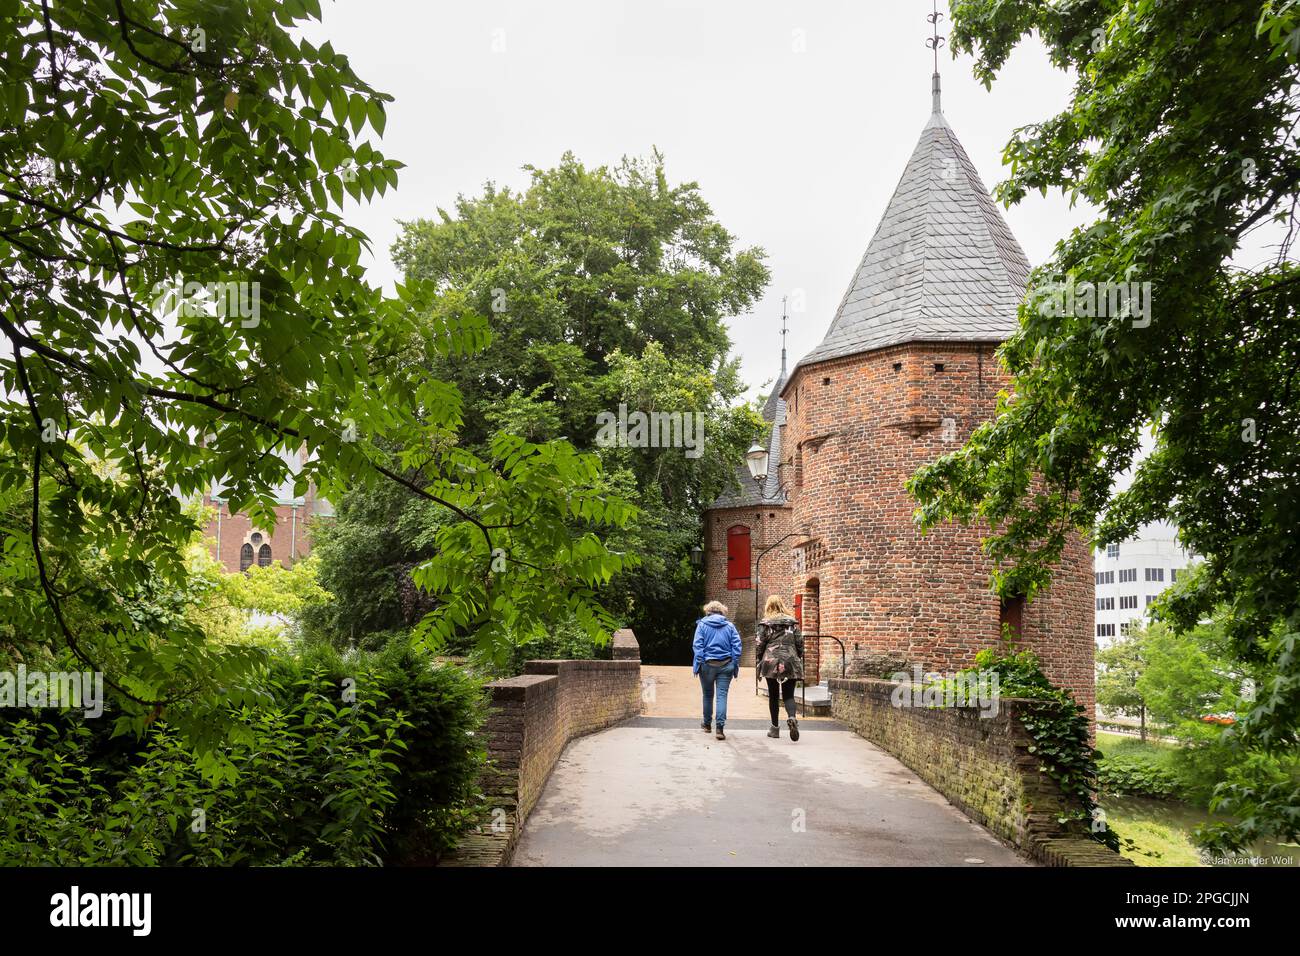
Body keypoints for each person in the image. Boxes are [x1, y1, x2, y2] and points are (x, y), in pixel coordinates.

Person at [755, 595, 804, 741]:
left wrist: (759, 659)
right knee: (789, 694)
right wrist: (798, 657)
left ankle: (775, 729)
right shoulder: (792, 623)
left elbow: (759, 644)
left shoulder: (765, 624)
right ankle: (792, 717)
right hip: (790, 660)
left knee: (774, 695)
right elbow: (800, 643)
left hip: (771, 661)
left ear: (768, 607)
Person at [692, 600, 742, 740]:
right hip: (726, 665)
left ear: (708, 611)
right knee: (722, 696)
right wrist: (733, 661)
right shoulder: (730, 626)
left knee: (707, 695)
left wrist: (701, 661)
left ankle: (707, 724)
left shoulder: (702, 625)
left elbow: (697, 645)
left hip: (707, 665)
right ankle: (720, 728)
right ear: (722, 612)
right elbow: (737, 647)